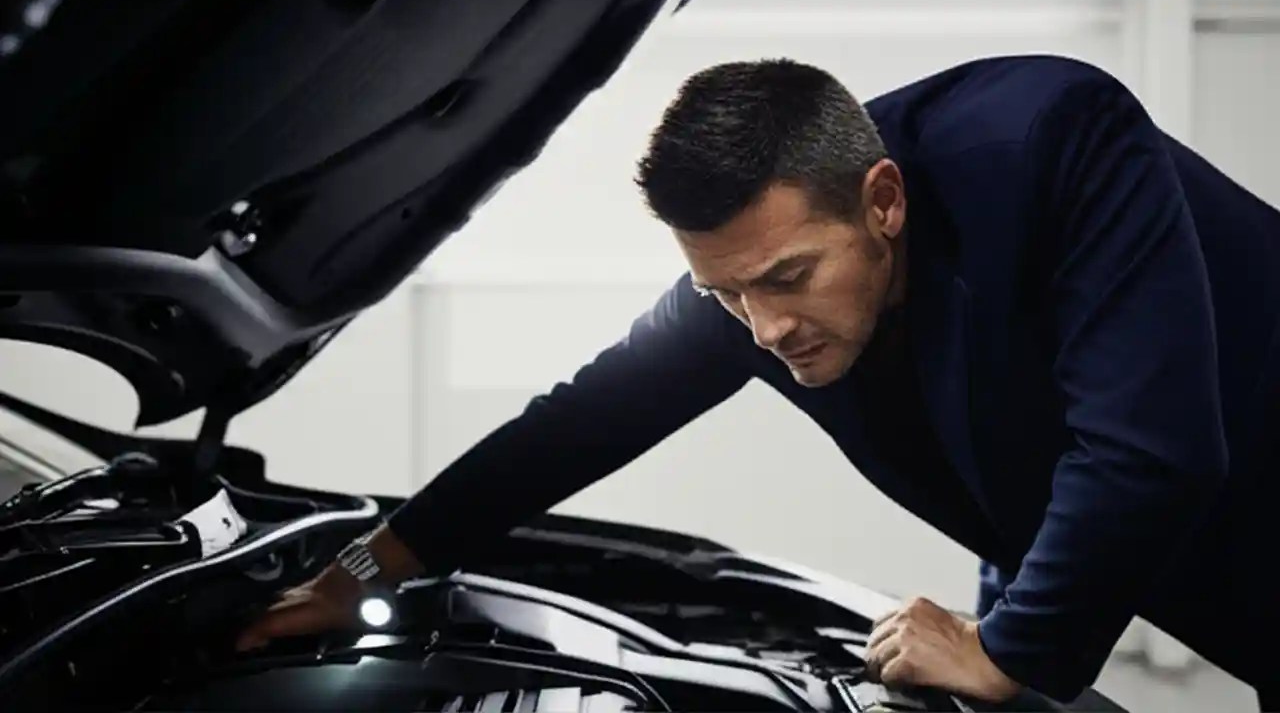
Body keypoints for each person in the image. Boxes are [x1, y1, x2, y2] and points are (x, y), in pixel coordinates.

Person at [235, 54, 1280, 708]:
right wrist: (361, 576)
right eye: (727, 296)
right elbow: (572, 426)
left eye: (786, 279)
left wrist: (1012, 650)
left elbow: (1150, 450)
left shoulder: (1053, 138)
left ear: (882, 201)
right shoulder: (746, 286)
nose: (765, 328)